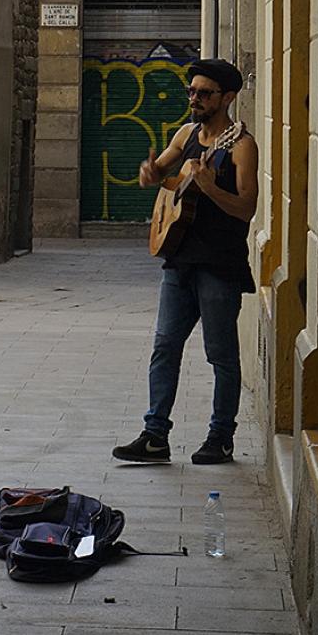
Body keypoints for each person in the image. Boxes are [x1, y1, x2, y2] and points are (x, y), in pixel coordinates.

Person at [113, 58, 258, 466]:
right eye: (191, 91)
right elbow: (159, 174)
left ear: (227, 98)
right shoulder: (186, 134)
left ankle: (220, 438)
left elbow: (247, 208)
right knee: (165, 346)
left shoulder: (241, 146)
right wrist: (149, 174)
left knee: (220, 355)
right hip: (179, 261)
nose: (194, 99)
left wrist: (210, 188)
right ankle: (155, 436)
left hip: (219, 266)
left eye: (204, 93)